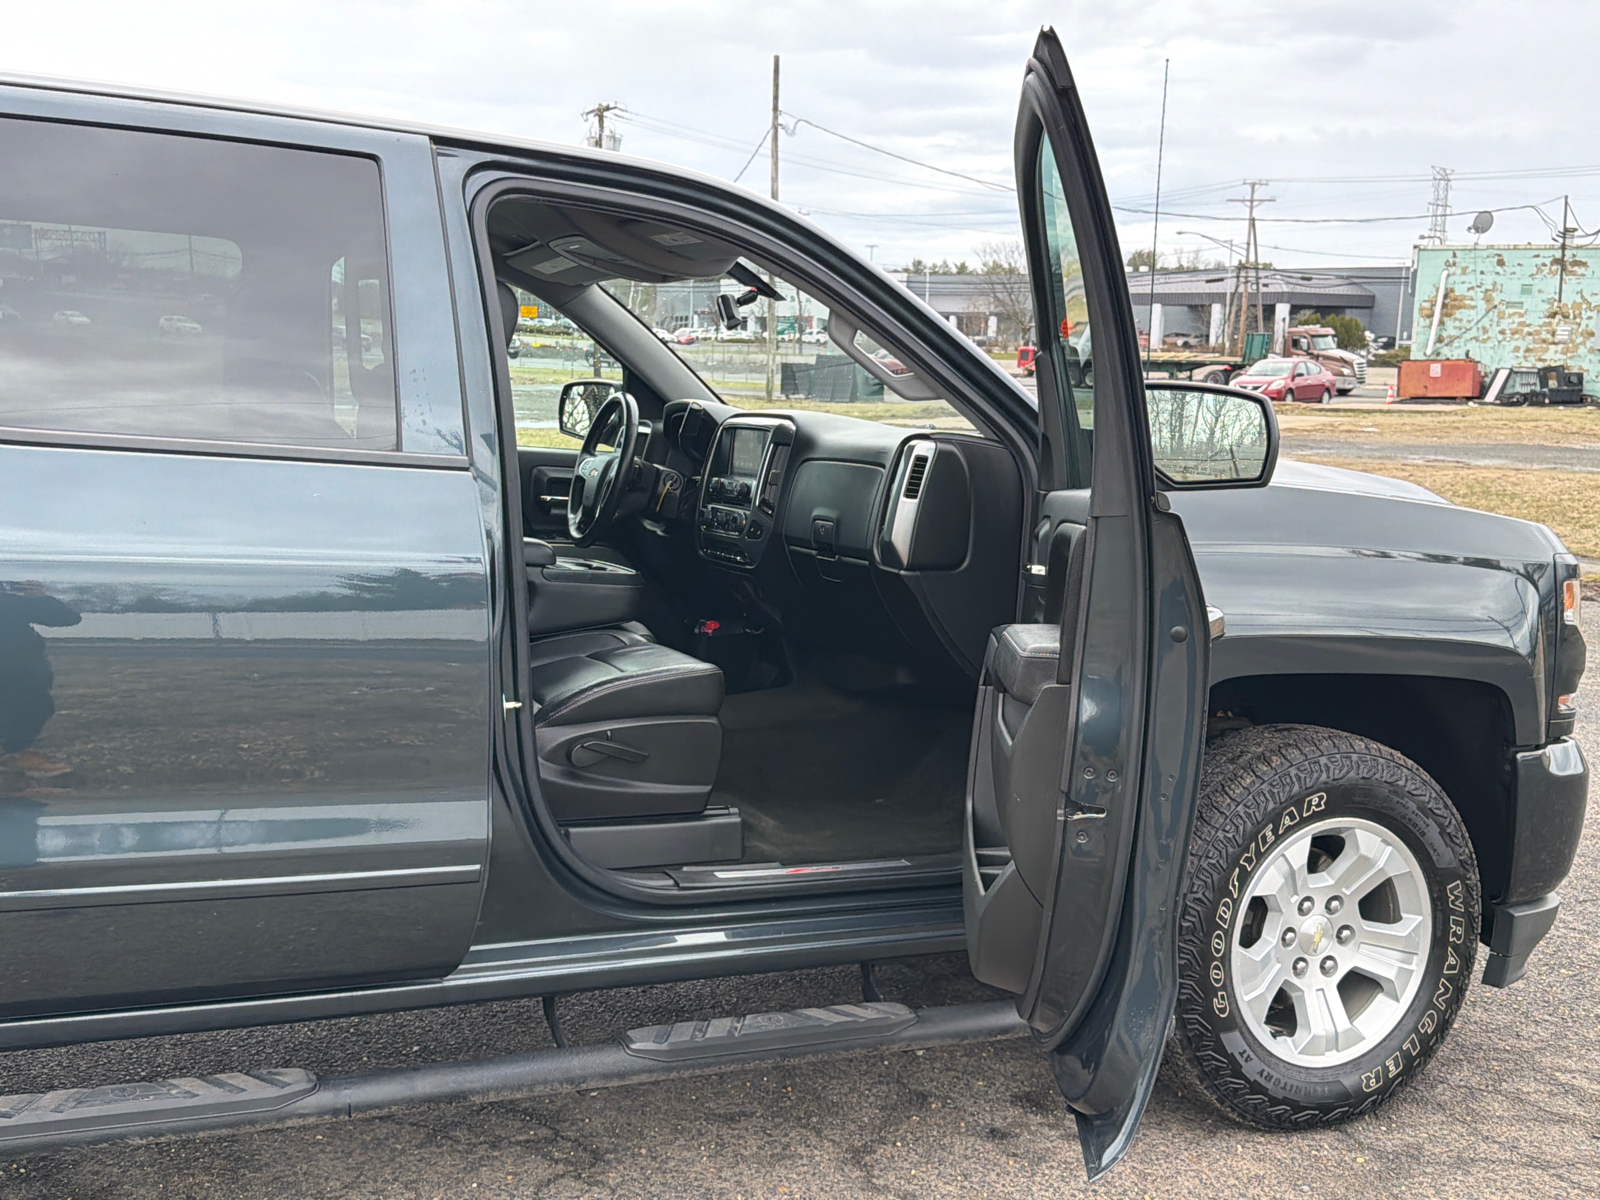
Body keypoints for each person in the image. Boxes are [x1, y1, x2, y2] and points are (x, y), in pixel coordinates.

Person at [0, 580, 80, 778]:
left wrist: (40, 600)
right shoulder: (9, 601)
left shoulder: (10, 600)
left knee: (34, 707)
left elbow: (67, 618)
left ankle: (14, 755)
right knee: (30, 707)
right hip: (19, 669)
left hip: (23, 669)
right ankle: (14, 755)